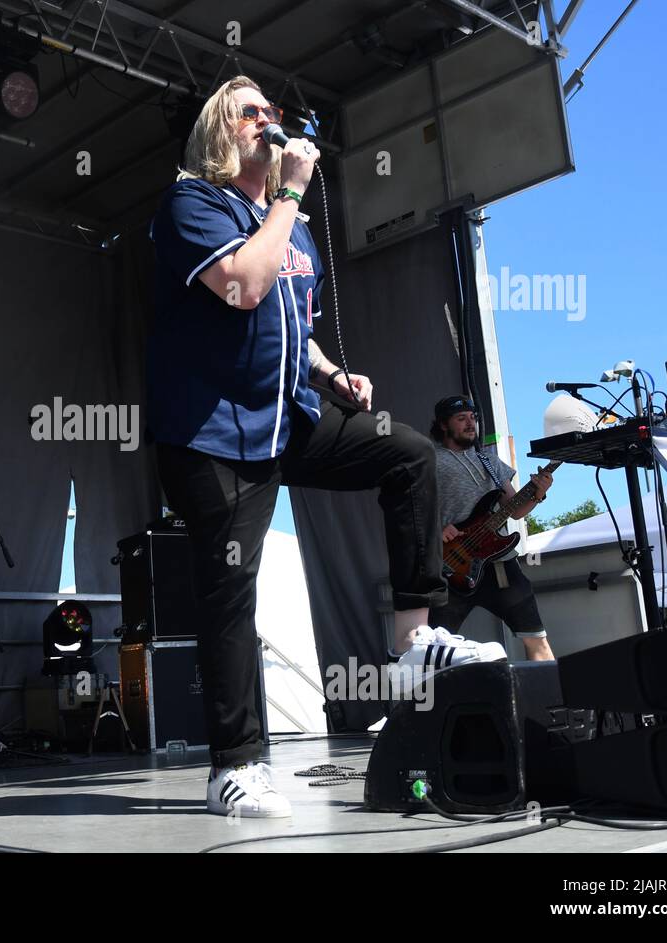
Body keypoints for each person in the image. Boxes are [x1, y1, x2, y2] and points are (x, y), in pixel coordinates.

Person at [148, 77, 505, 818]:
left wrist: (331, 372)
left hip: (288, 417)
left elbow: (287, 319)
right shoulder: (194, 204)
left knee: (407, 454)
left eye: (274, 114)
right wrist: (289, 197)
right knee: (229, 593)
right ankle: (235, 767)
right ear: (220, 131)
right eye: (253, 114)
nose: (269, 124)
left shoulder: (293, 227)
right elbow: (245, 286)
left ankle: (412, 644)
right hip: (214, 432)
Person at [429, 395, 556, 661]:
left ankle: (551, 701)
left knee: (537, 640)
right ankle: (423, 702)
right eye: (461, 418)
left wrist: (537, 493)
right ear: (443, 425)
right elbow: (407, 506)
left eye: (472, 417)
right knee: (431, 650)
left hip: (500, 566)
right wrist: (436, 527)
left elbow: (515, 508)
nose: (470, 423)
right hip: (453, 566)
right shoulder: (429, 460)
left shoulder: (489, 461)